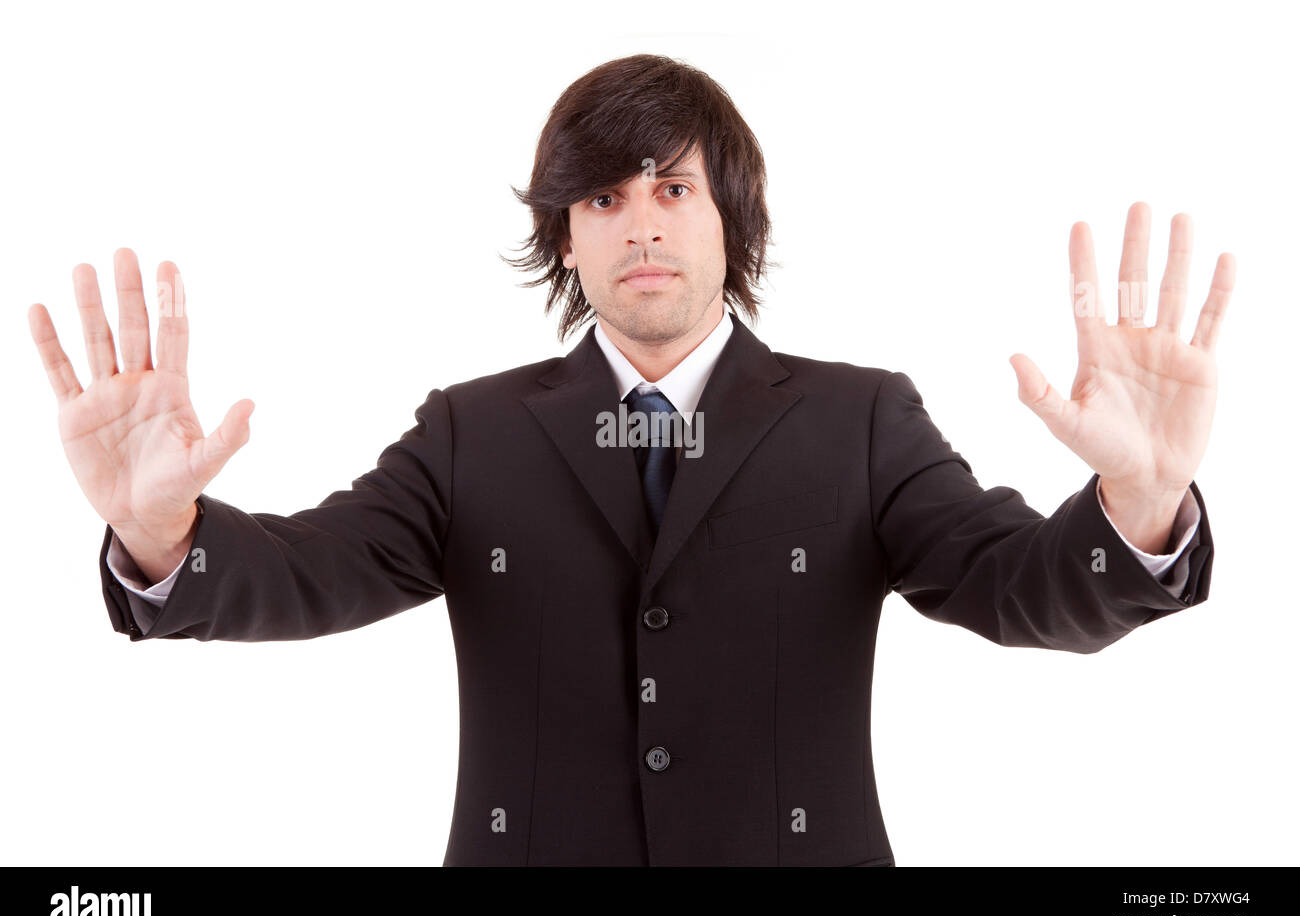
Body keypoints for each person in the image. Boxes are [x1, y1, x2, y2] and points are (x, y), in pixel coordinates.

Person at [28, 54, 1232, 866]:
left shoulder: (859, 420)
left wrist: (1138, 503)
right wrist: (161, 538)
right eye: (602, 199)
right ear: (567, 233)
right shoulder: (471, 430)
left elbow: (1013, 583)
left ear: (730, 221)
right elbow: (314, 569)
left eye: (671, 186)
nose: (641, 221)